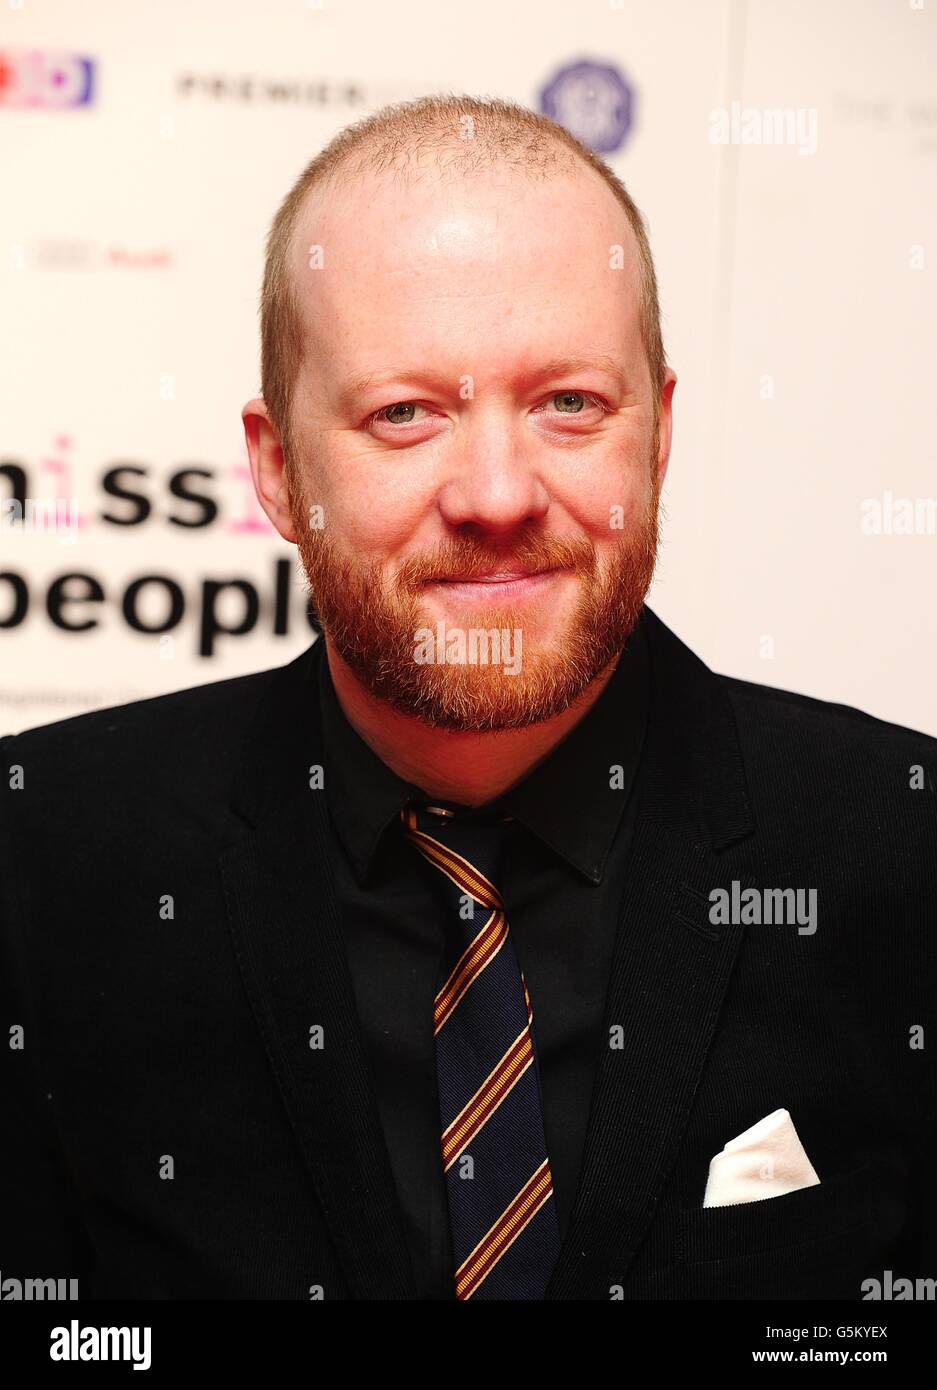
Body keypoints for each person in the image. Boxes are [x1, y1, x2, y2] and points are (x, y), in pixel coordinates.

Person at [1, 94, 933, 1301]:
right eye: (406, 414)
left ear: (657, 439)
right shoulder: (42, 868)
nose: (496, 493)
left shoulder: (902, 859)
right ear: (280, 472)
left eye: (569, 405)